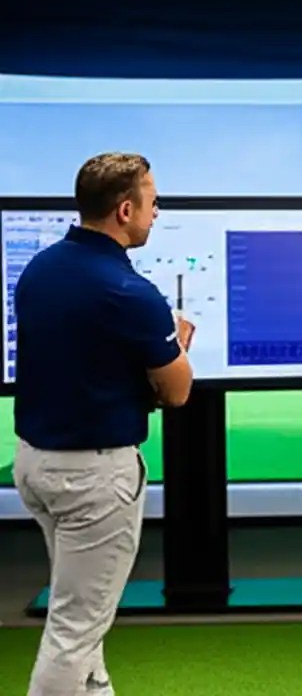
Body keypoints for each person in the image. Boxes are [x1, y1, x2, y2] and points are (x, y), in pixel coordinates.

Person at [12, 153, 195, 695]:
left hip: (37, 465)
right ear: (124, 209)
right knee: (74, 630)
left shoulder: (40, 268)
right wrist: (175, 343)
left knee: (84, 624)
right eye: (153, 202)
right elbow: (178, 391)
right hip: (94, 479)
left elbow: (83, 361)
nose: (156, 213)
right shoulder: (131, 293)